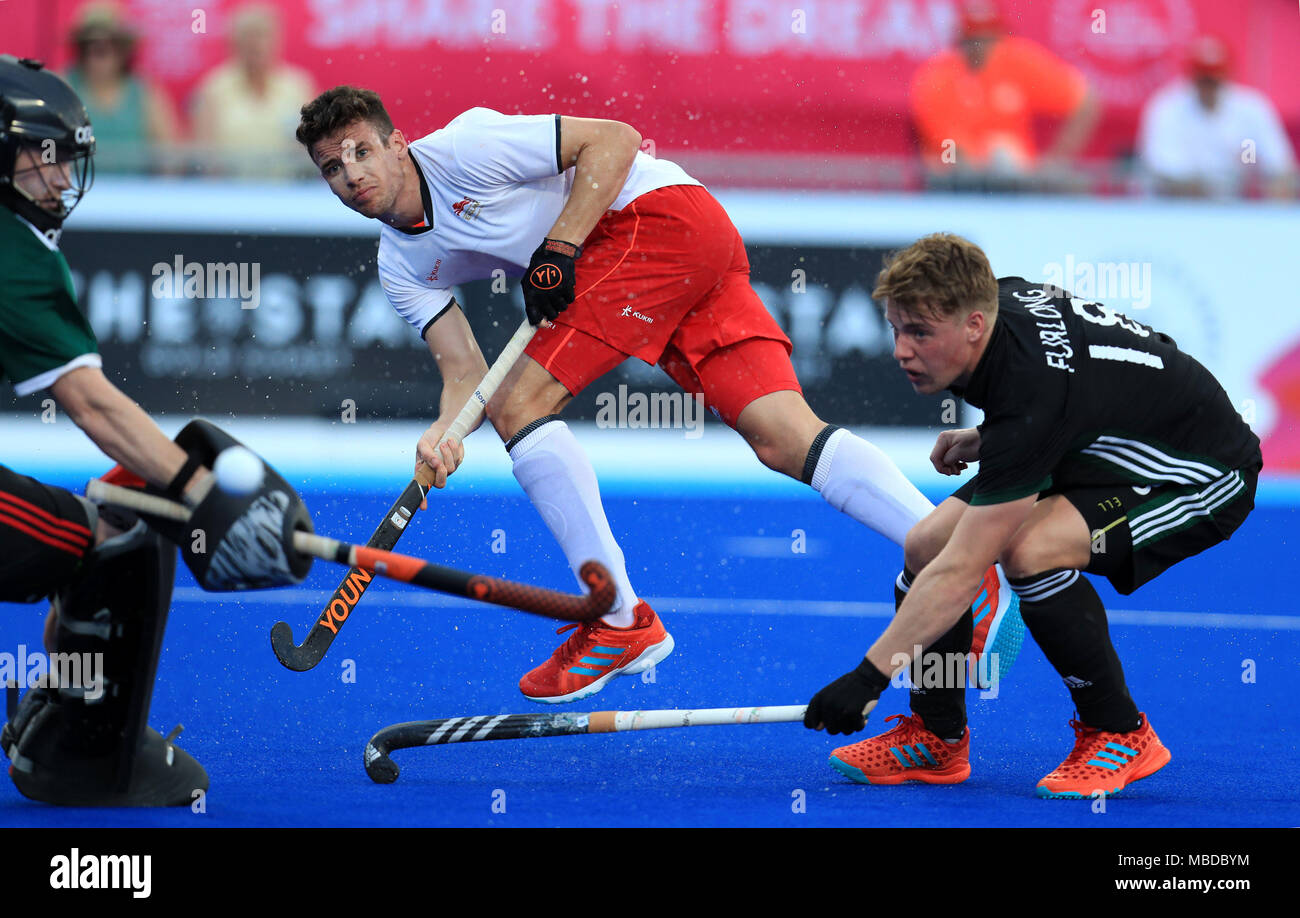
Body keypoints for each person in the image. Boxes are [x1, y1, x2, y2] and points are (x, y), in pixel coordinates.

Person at [295, 87, 1022, 705]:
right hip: (681, 251)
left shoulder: (466, 147)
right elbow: (465, 374)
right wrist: (442, 433)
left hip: (654, 220)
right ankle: (960, 560)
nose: (352, 174)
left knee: (521, 406)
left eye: (362, 151)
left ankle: (616, 620)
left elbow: (613, 141)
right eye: (333, 168)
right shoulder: (401, 263)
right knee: (783, 437)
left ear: (397, 144)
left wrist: (559, 249)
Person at [803, 233, 1261, 798]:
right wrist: (990, 435)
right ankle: (937, 738)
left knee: (1029, 551)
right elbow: (1086, 384)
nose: (901, 350)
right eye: (896, 329)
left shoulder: (1032, 393)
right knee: (926, 545)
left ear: (974, 324)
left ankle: (1119, 729)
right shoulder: (1000, 307)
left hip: (1199, 474)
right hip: (1086, 445)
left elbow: (963, 572)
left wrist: (868, 676)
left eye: (920, 333)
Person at [0, 57, 309, 806]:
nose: (62, 180)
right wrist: (202, 493)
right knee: (114, 532)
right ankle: (81, 753)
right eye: (46, 159)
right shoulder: (12, 251)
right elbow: (94, 405)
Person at [909, 0, 1100, 190]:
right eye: (973, 37)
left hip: (1016, 182)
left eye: (988, 37)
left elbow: (1084, 100)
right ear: (959, 39)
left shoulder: (1015, 61)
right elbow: (947, 146)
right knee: (992, 159)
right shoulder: (937, 78)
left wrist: (1055, 161)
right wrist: (987, 158)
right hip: (955, 182)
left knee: (1071, 185)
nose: (981, 46)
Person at [1137, 35, 1297, 200]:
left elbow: (1281, 169)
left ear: (1227, 76)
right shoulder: (1166, 108)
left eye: (1214, 80)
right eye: (1204, 79)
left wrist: (1274, 190)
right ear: (1191, 77)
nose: (1209, 87)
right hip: (1179, 209)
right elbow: (1164, 175)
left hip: (1238, 211)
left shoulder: (1252, 109)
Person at [191, 2, 315, 178]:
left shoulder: (298, 86)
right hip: (231, 192)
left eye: (261, 35)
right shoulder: (213, 88)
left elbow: (312, 151)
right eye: (247, 35)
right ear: (233, 42)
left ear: (276, 40)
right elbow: (203, 157)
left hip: (288, 193)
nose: (254, 43)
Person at [62, 1, 179, 174]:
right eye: (91, 48)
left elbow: (172, 159)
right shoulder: (63, 88)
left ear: (123, 50)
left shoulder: (146, 94)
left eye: (107, 48)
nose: (99, 57)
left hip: (135, 195)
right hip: (75, 193)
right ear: (80, 50)